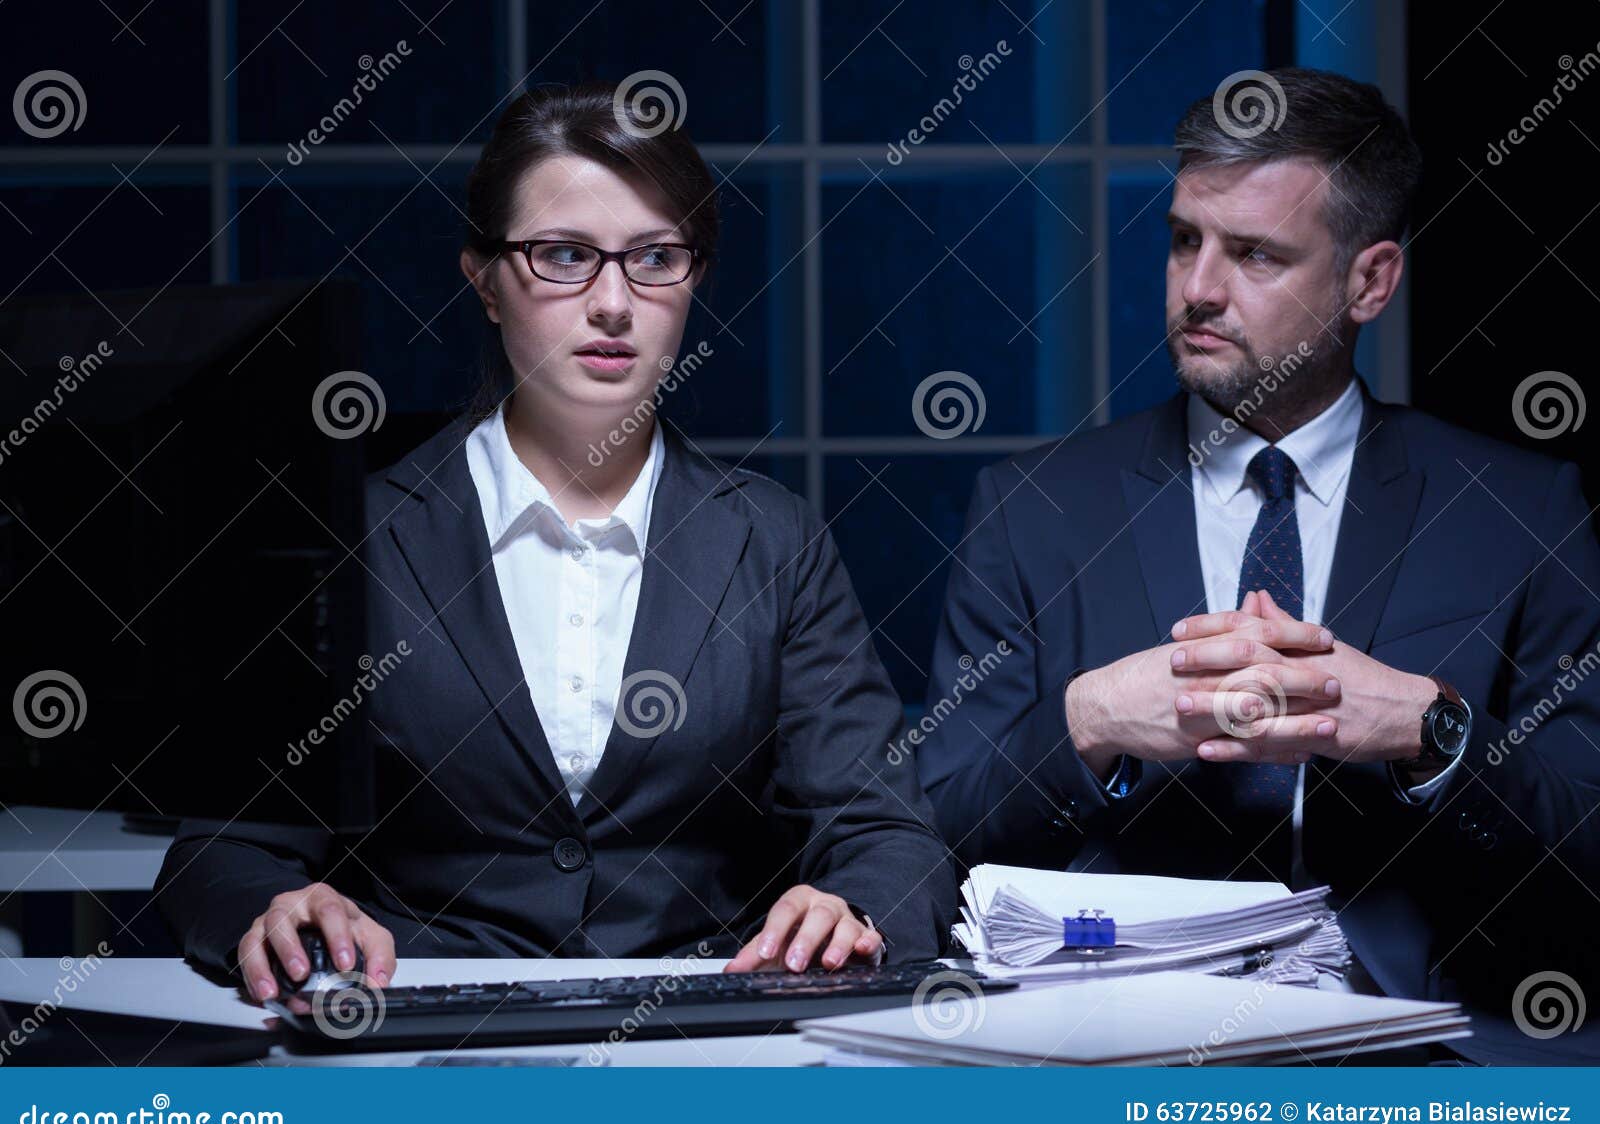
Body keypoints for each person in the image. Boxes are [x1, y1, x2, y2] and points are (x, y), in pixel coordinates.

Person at [156, 83, 955, 1001]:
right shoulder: (357, 537)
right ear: (485, 280)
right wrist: (281, 906)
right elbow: (223, 846)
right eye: (565, 256)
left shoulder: (773, 538)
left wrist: (852, 908)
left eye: (656, 258)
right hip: (409, 1024)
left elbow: (888, 833)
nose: (613, 303)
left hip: (702, 1030)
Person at [916, 67, 1599, 1064]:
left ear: (1368, 280)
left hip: (1428, 1060)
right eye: (1186, 239)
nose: (1198, 288)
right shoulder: (1035, 506)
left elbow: (1587, 837)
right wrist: (1089, 724)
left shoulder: (1521, 510)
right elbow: (926, 830)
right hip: (1109, 1056)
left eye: (1254, 255)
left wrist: (1430, 729)